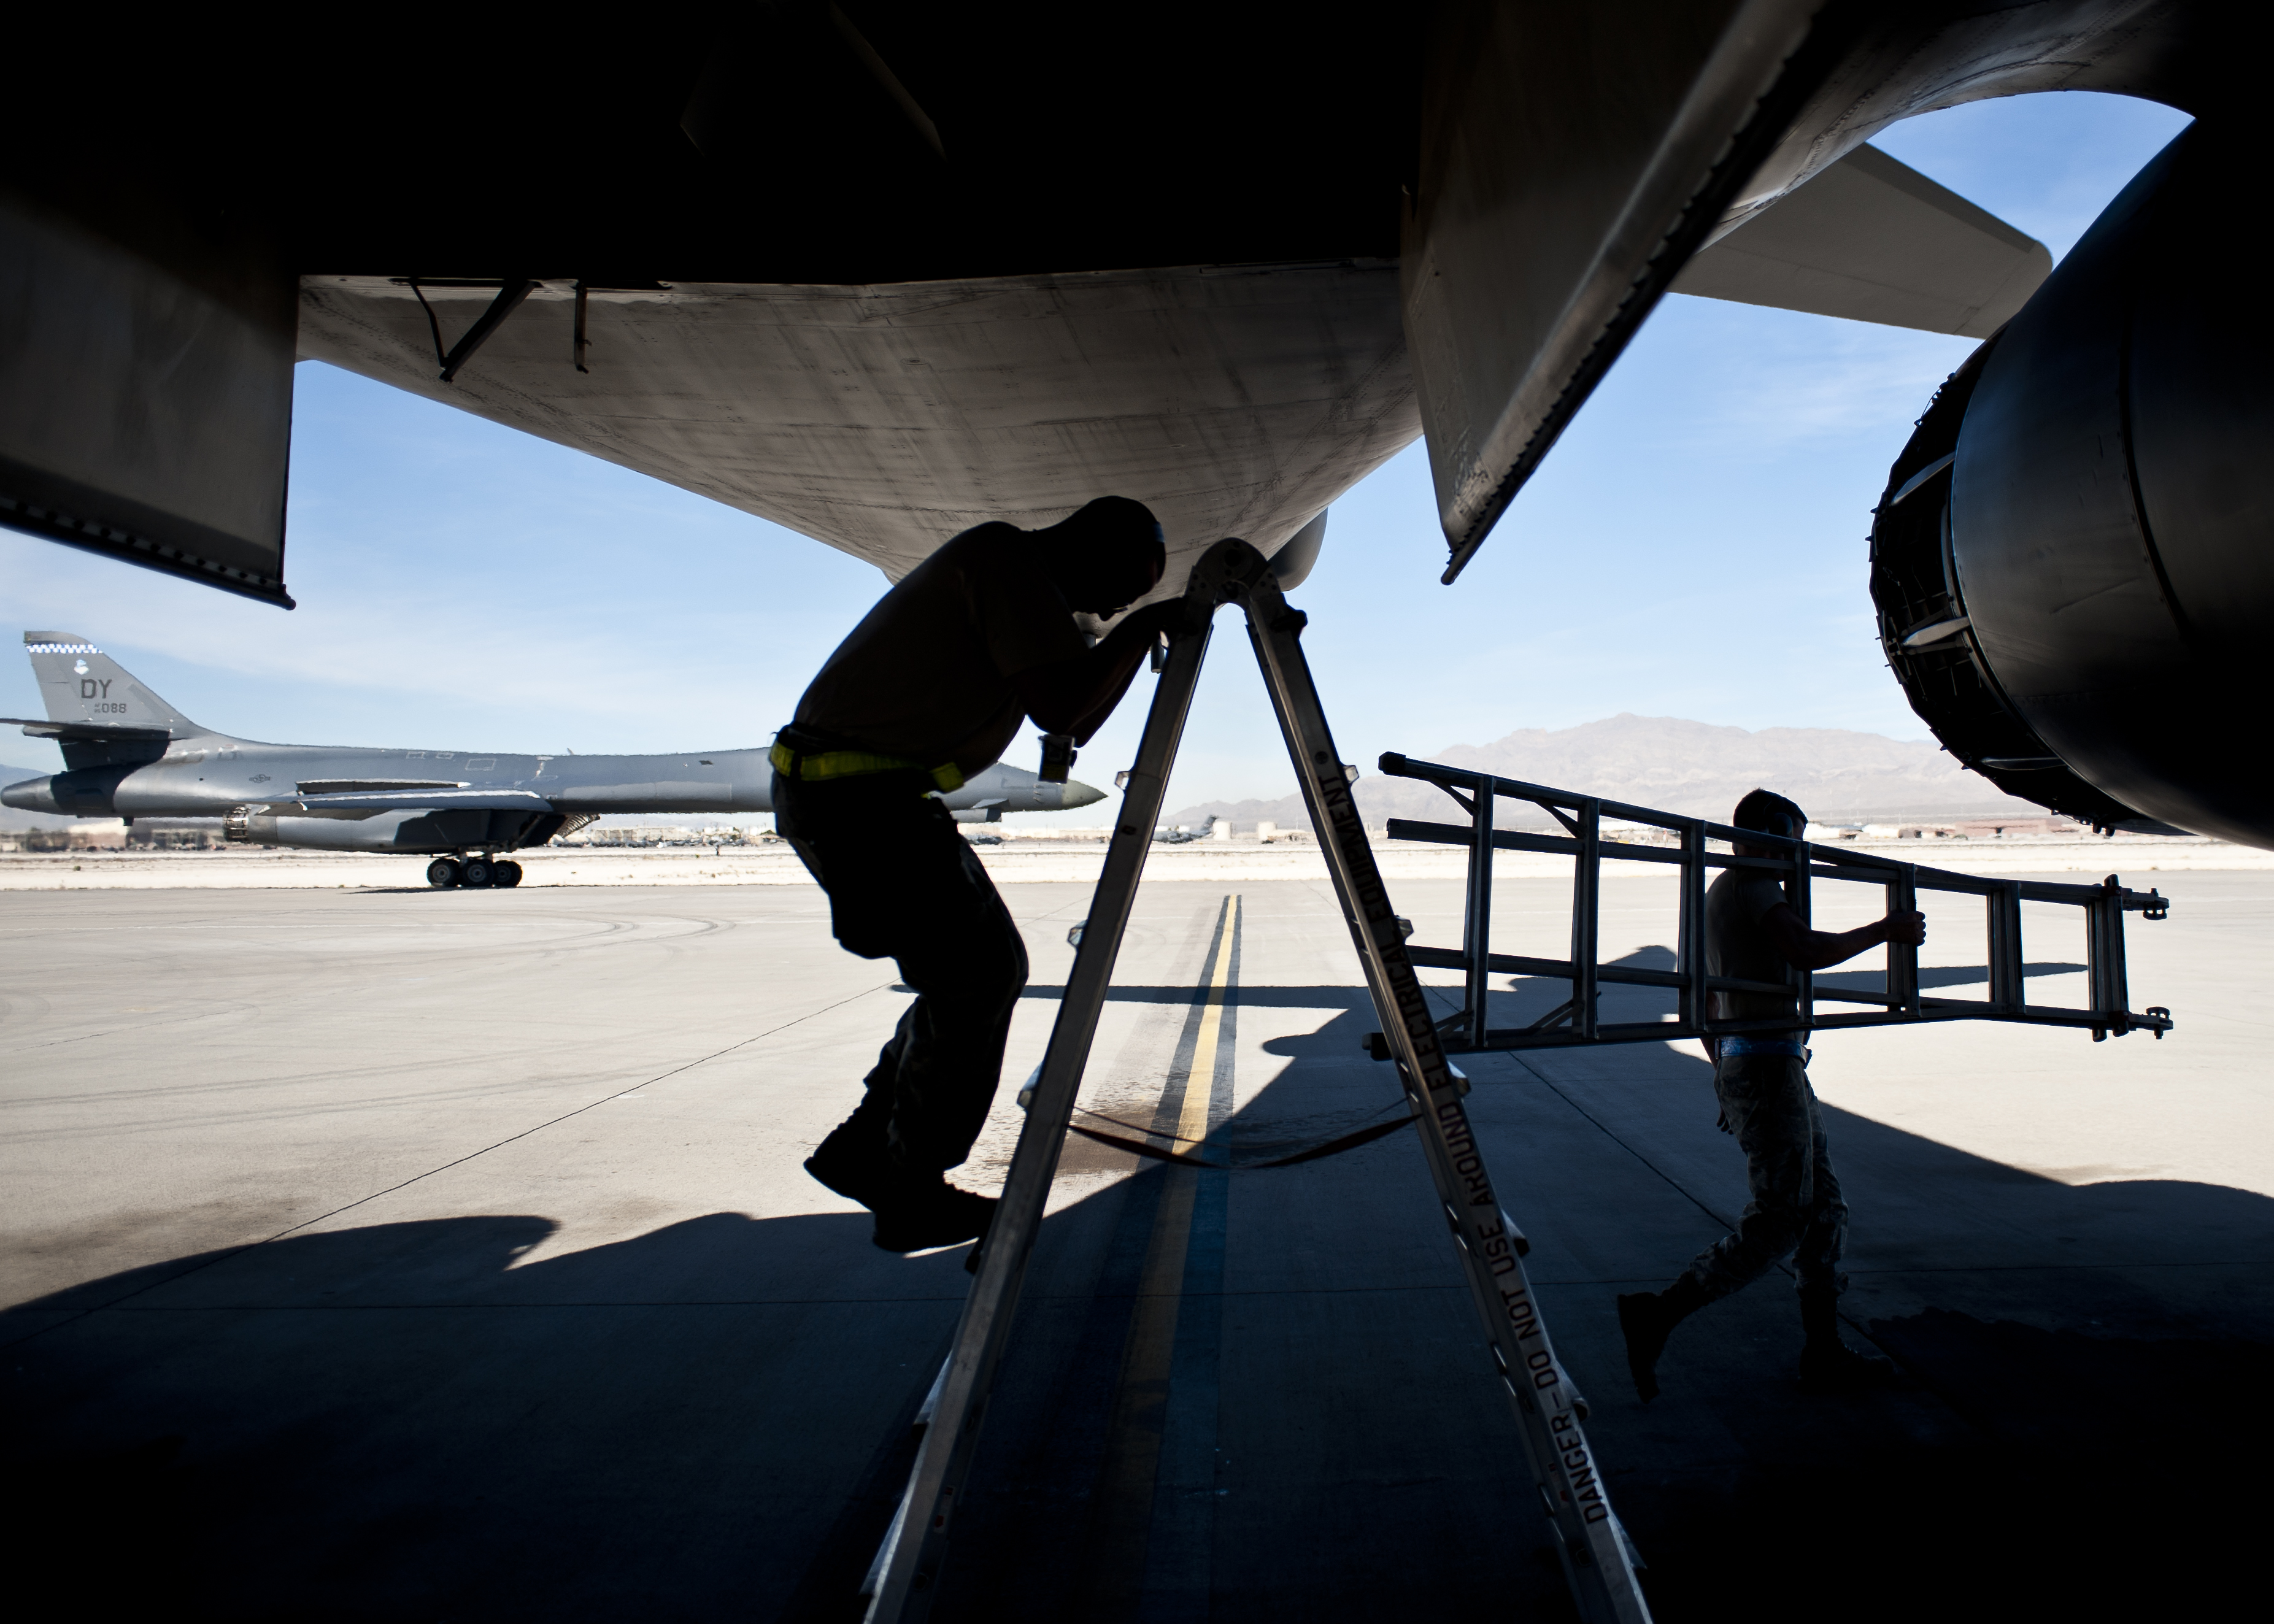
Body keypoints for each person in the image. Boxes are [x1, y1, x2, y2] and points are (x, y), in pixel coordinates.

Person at [774, 496, 1186, 1257]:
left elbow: (1072, 722)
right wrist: (1142, 628)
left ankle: (871, 1150)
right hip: (856, 797)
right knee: (977, 976)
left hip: (873, 796)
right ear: (1093, 547)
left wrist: (1134, 634)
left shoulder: (1027, 589)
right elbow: (1064, 701)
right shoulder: (1003, 559)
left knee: (970, 976)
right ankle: (907, 1190)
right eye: (1122, 587)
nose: (1112, 607)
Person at [1617, 788, 1928, 1397]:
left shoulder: (1723, 892)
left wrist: (1725, 1073)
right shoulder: (1753, 882)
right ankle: (1657, 1313)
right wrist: (1887, 928)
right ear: (1759, 836)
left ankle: (1822, 1351)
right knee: (1782, 1217)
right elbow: (1806, 951)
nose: (1796, 854)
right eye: (1789, 839)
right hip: (1766, 1066)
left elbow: (1706, 1001)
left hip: (1765, 1065)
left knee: (1822, 1211)